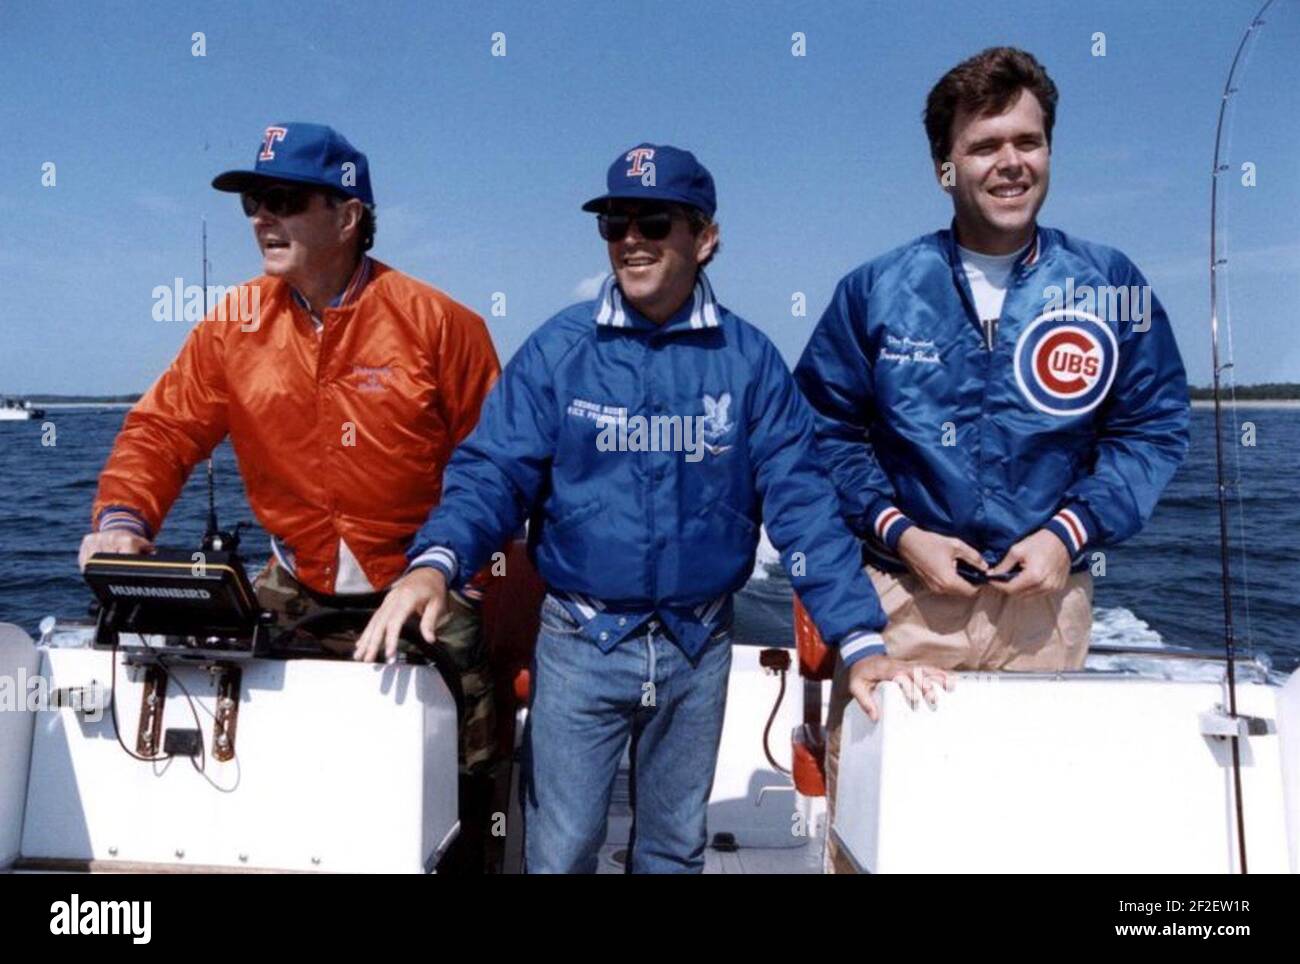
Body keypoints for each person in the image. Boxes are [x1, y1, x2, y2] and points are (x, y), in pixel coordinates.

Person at [357, 143, 891, 873]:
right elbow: (492, 473)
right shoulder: (558, 351)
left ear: (705, 239)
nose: (631, 239)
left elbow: (803, 507)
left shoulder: (752, 362)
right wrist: (435, 563)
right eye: (614, 224)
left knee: (673, 851)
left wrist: (859, 640)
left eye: (653, 221)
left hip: (698, 645)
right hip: (578, 641)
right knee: (561, 850)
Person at [793, 48, 1191, 873]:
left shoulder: (1109, 284)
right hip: (903, 608)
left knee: (1025, 835)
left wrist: (1069, 533)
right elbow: (821, 433)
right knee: (877, 836)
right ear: (945, 166)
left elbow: (1151, 428)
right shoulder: (876, 289)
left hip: (1046, 610)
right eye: (985, 146)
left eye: (1029, 140)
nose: (1011, 162)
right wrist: (901, 533)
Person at [81, 122, 502, 867]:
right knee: (263, 740)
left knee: (464, 767)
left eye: (282, 199)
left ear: (347, 216)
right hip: (295, 576)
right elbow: (164, 431)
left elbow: (494, 467)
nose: (261, 218)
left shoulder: (443, 325)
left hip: (415, 580)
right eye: (252, 203)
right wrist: (123, 518)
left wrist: (447, 572)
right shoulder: (231, 328)